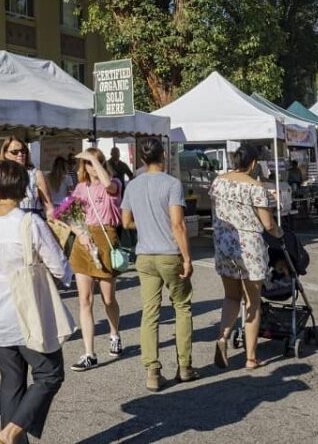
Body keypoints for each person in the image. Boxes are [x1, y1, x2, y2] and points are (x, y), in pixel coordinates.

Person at [0, 159, 71, 444]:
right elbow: (60, 268)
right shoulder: (29, 222)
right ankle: (11, 431)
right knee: (49, 374)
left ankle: (12, 435)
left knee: (11, 381)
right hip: (27, 312)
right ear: (24, 189)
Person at [120, 137, 194, 392]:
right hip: (169, 254)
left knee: (150, 313)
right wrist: (187, 258)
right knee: (182, 307)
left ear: (142, 159)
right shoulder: (172, 184)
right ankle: (184, 367)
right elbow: (178, 224)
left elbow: (126, 221)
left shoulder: (133, 185)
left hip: (144, 256)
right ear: (164, 155)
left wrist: (148, 223)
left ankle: (152, 371)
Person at [209, 145, 284, 370]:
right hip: (249, 247)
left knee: (231, 297)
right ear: (253, 164)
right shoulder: (255, 187)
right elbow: (268, 224)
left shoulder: (218, 182)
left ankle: (222, 337)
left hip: (223, 245)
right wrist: (280, 233)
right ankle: (251, 358)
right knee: (252, 302)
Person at [67, 148, 122, 372]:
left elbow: (109, 185)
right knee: (85, 300)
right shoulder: (81, 188)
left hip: (106, 237)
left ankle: (114, 334)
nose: (92, 167)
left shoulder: (114, 183)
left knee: (108, 299)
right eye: (88, 163)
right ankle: (89, 353)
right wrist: (79, 232)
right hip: (84, 243)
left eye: (97, 162)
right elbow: (67, 214)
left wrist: (92, 159)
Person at [0, 137, 52, 217]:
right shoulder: (1, 175)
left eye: (23, 151)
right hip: (7, 225)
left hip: (31, 223)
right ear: (5, 154)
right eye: (15, 152)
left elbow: (48, 205)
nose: (20, 154)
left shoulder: (36, 174)